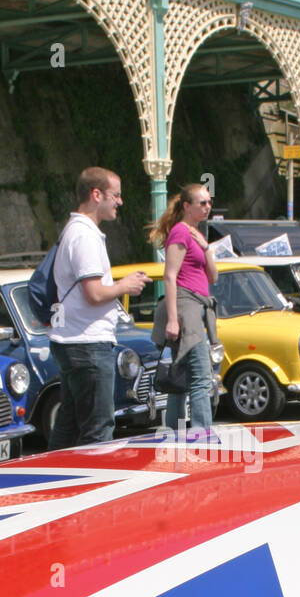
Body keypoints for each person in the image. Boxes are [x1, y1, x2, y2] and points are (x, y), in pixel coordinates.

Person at [48, 167, 147, 449]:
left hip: (74, 341)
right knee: (98, 429)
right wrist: (125, 286)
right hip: (88, 344)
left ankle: (52, 484)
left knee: (69, 425)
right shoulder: (85, 236)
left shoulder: (75, 231)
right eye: (115, 195)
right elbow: (93, 294)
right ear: (96, 194)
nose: (120, 201)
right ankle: (94, 487)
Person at [149, 183, 219, 431]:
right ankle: (202, 437)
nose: (208, 206)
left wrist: (206, 248)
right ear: (187, 206)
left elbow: (213, 277)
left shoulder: (196, 234)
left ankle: (176, 434)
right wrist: (172, 319)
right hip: (184, 307)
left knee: (179, 380)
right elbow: (170, 276)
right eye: (202, 202)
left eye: (209, 202)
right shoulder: (180, 232)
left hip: (196, 306)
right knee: (200, 378)